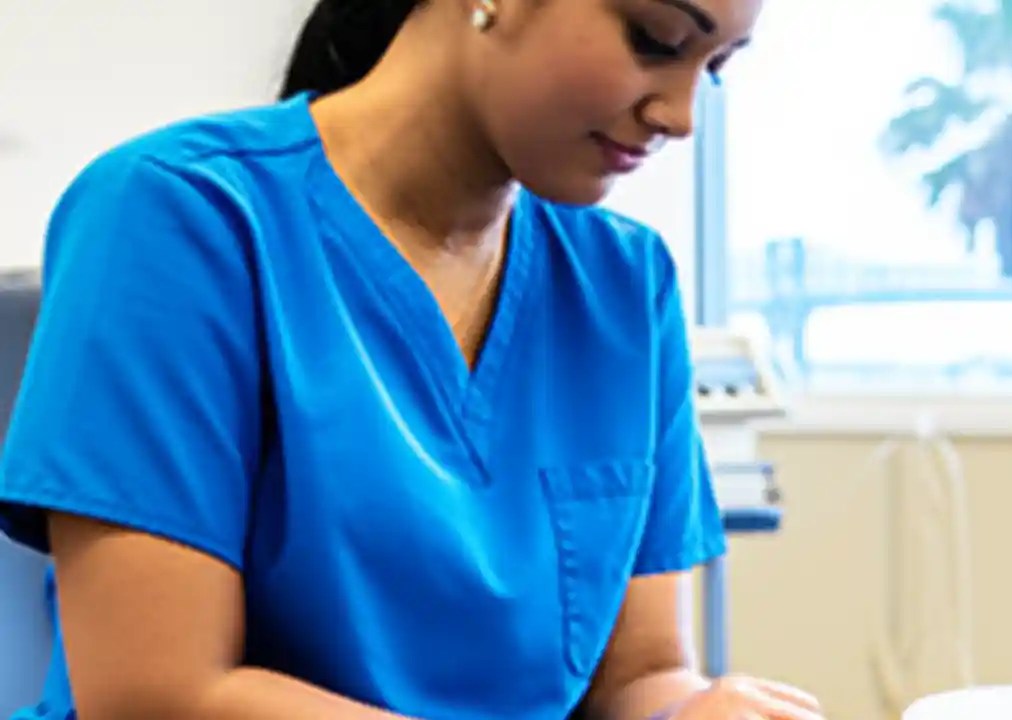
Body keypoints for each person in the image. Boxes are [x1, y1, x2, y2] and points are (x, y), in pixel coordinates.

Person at [0, 0, 825, 718]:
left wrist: (689, 711)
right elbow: (159, 696)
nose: (683, 115)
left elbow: (640, 674)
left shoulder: (624, 282)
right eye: (655, 38)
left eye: (717, 66)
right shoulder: (181, 216)